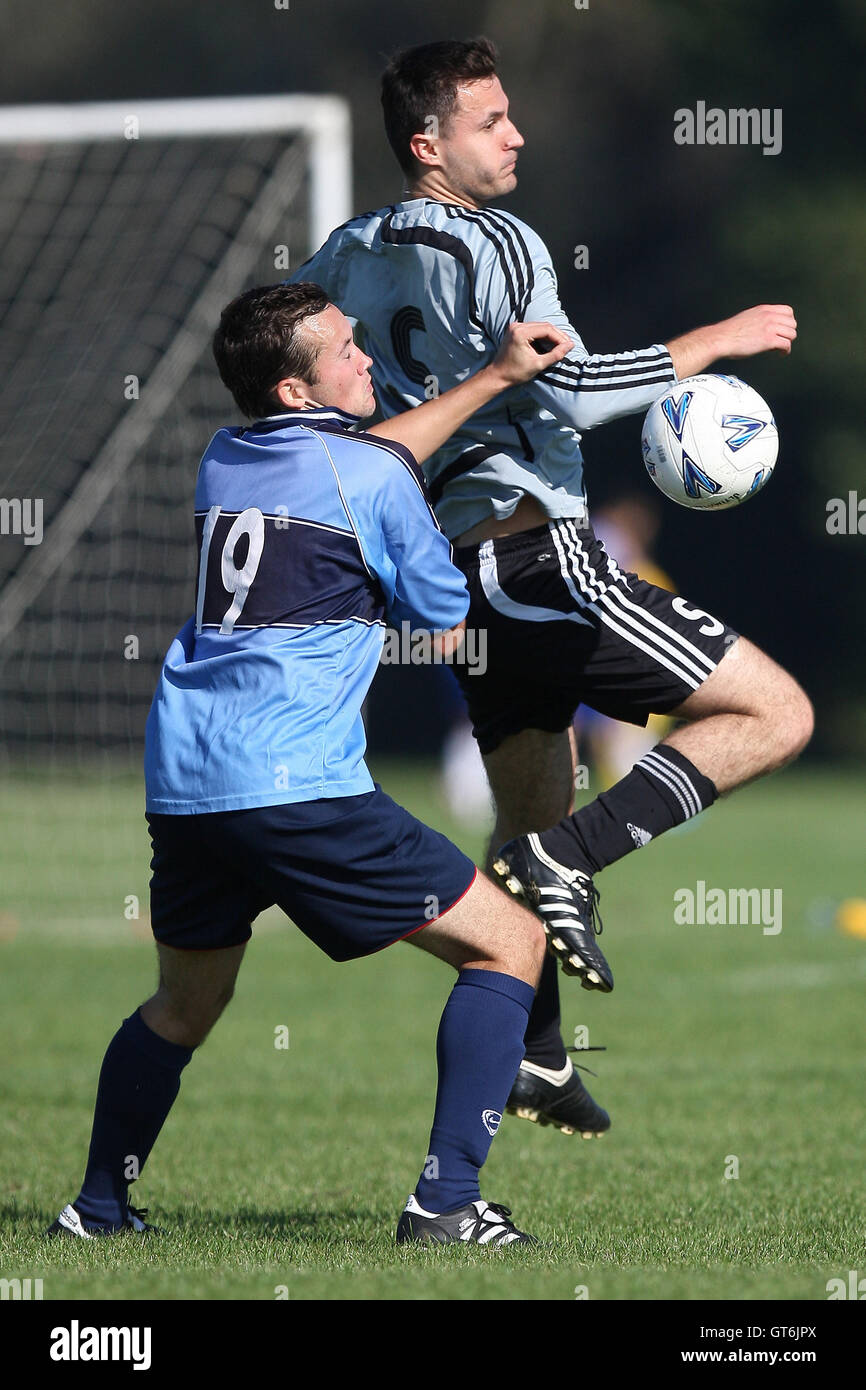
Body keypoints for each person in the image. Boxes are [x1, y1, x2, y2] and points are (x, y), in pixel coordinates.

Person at [289, 37, 812, 1118]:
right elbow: (569, 391)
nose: (517, 133)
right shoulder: (497, 240)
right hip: (538, 557)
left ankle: (531, 1049)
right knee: (774, 713)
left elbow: (284, 376)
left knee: (524, 817)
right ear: (427, 143)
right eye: (491, 119)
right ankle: (575, 861)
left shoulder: (341, 257)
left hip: (453, 582)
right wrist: (714, 339)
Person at [46, 282, 600, 1249]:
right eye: (345, 351)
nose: (366, 361)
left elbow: (370, 456)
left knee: (185, 1004)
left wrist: (492, 377)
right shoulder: (373, 479)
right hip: (295, 783)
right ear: (299, 391)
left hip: (187, 780)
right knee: (509, 944)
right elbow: (443, 617)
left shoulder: (225, 458)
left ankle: (96, 1211)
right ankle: (446, 1205)